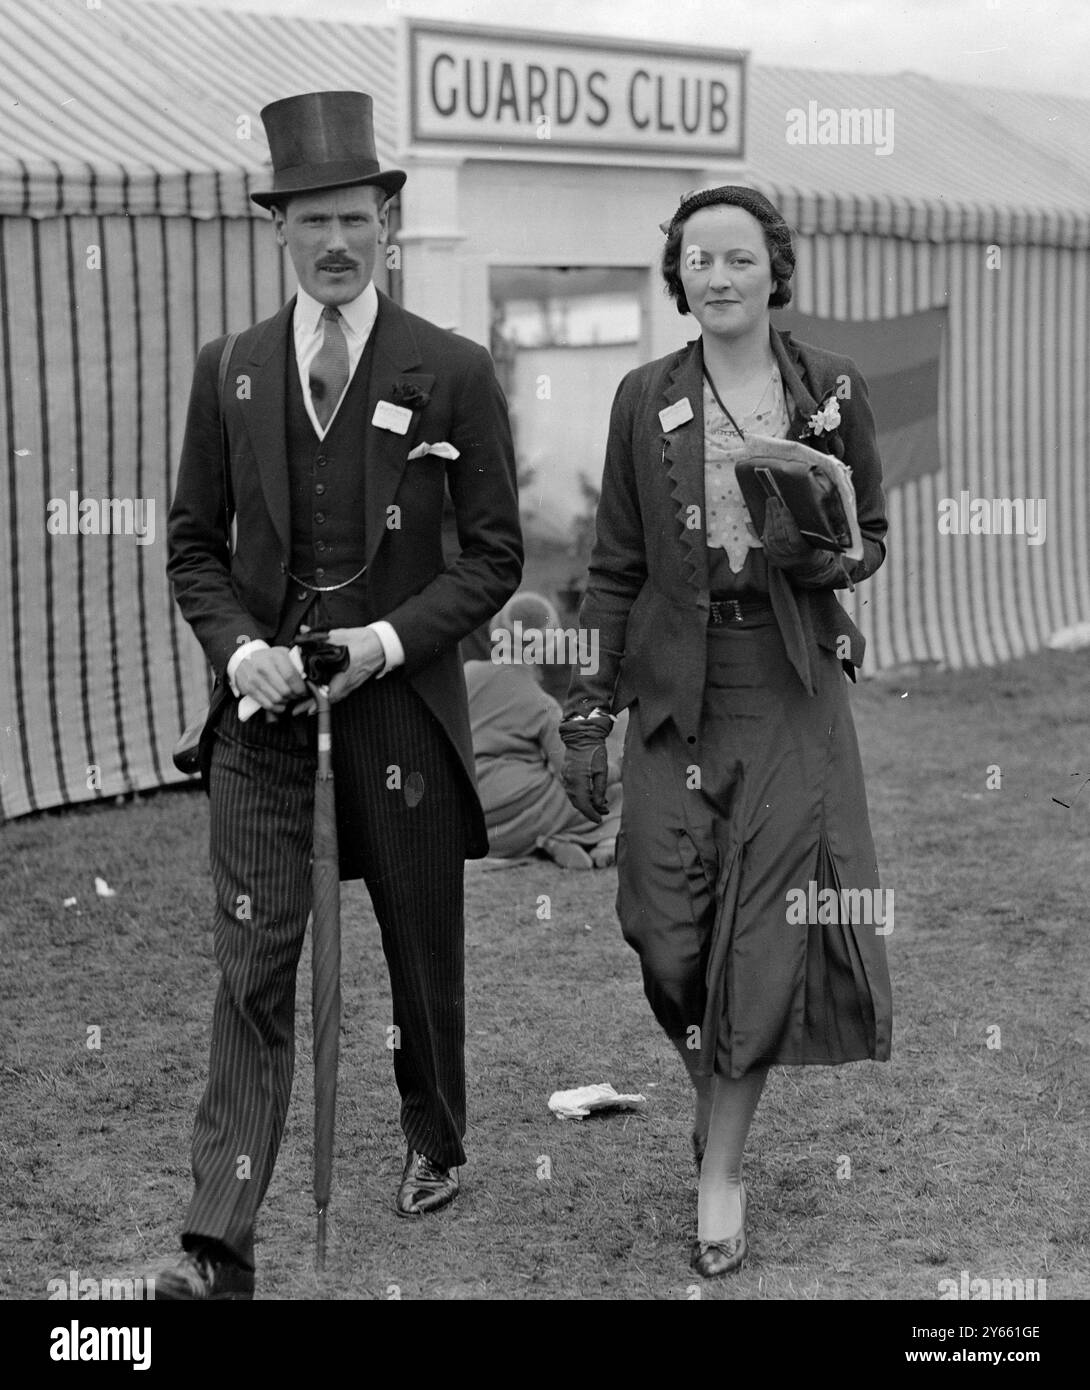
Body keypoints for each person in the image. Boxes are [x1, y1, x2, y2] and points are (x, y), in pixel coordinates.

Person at [160, 91, 522, 1299]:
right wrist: (235, 653)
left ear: (387, 225)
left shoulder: (453, 372)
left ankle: (434, 1135)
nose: (335, 242)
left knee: (419, 947)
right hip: (265, 726)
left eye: (355, 220)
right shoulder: (232, 373)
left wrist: (380, 640)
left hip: (398, 706)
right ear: (278, 228)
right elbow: (194, 547)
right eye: (312, 220)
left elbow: (492, 556)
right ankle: (218, 1243)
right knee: (253, 967)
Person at [560, 185, 892, 1278]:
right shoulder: (640, 394)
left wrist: (832, 555)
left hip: (789, 688)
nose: (717, 275)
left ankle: (722, 1171)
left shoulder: (830, 388)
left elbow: (870, 535)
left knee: (760, 938)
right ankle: (714, 1088)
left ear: (773, 269)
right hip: (674, 689)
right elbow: (612, 560)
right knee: (661, 929)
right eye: (697, 259)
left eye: (738, 258)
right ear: (678, 276)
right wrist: (588, 703)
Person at [464, 591, 623, 869]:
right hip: (516, 809)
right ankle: (595, 837)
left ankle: (554, 840)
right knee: (608, 796)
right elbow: (575, 772)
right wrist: (619, 767)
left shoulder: (468, 674)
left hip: (465, 815)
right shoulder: (542, 704)